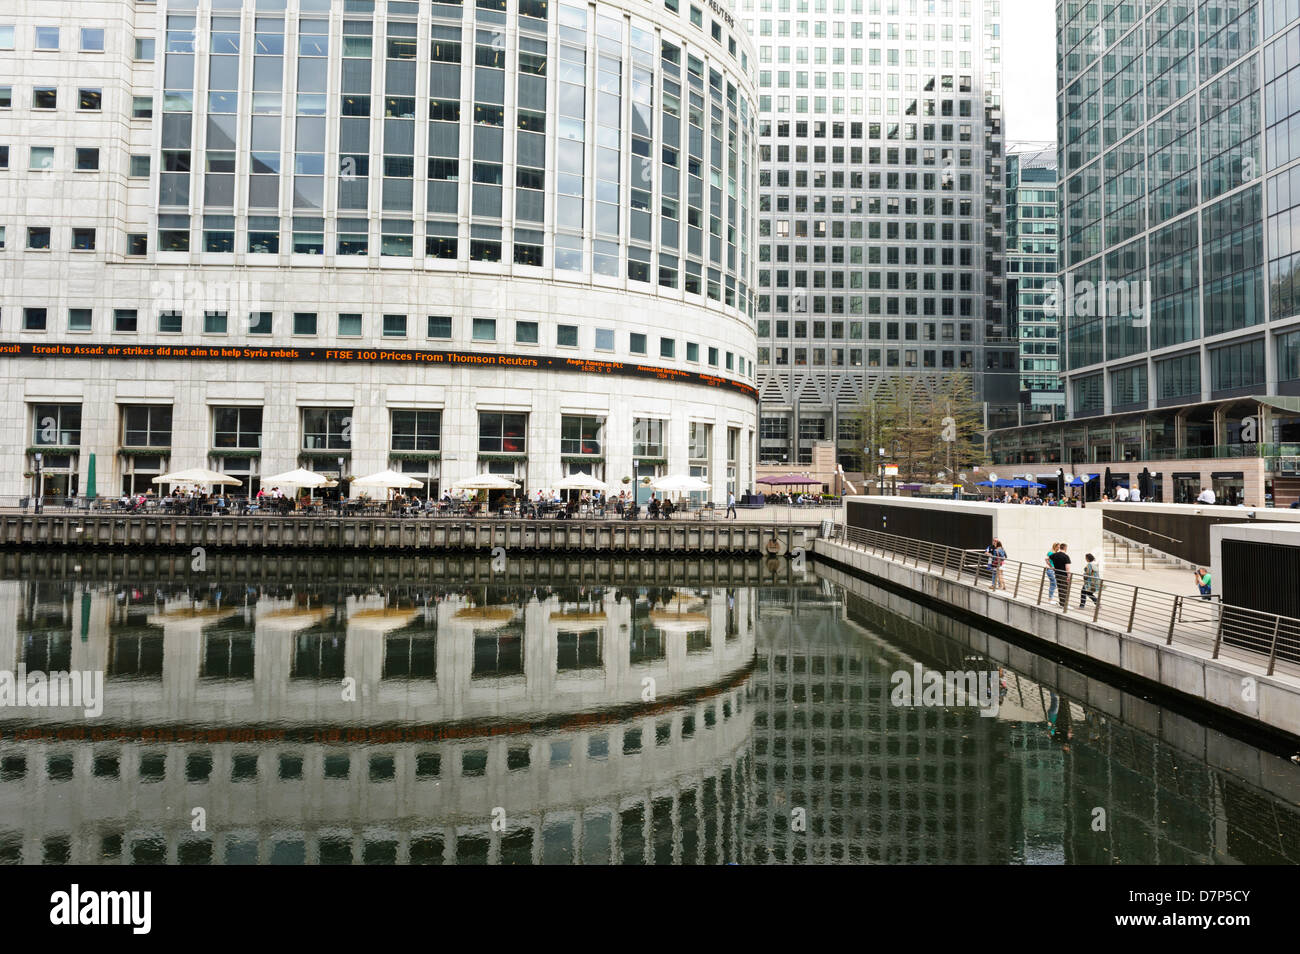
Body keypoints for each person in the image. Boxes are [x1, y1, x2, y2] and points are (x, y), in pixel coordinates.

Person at [1049, 543, 1072, 610]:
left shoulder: (1055, 555)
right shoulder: (1066, 556)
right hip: (1063, 575)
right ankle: (1064, 605)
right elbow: (1067, 568)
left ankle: (1062, 603)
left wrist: (1052, 567)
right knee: (1065, 589)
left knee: (1060, 589)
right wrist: (1068, 576)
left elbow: (1046, 559)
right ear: (1065, 548)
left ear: (1060, 548)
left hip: (1057, 574)